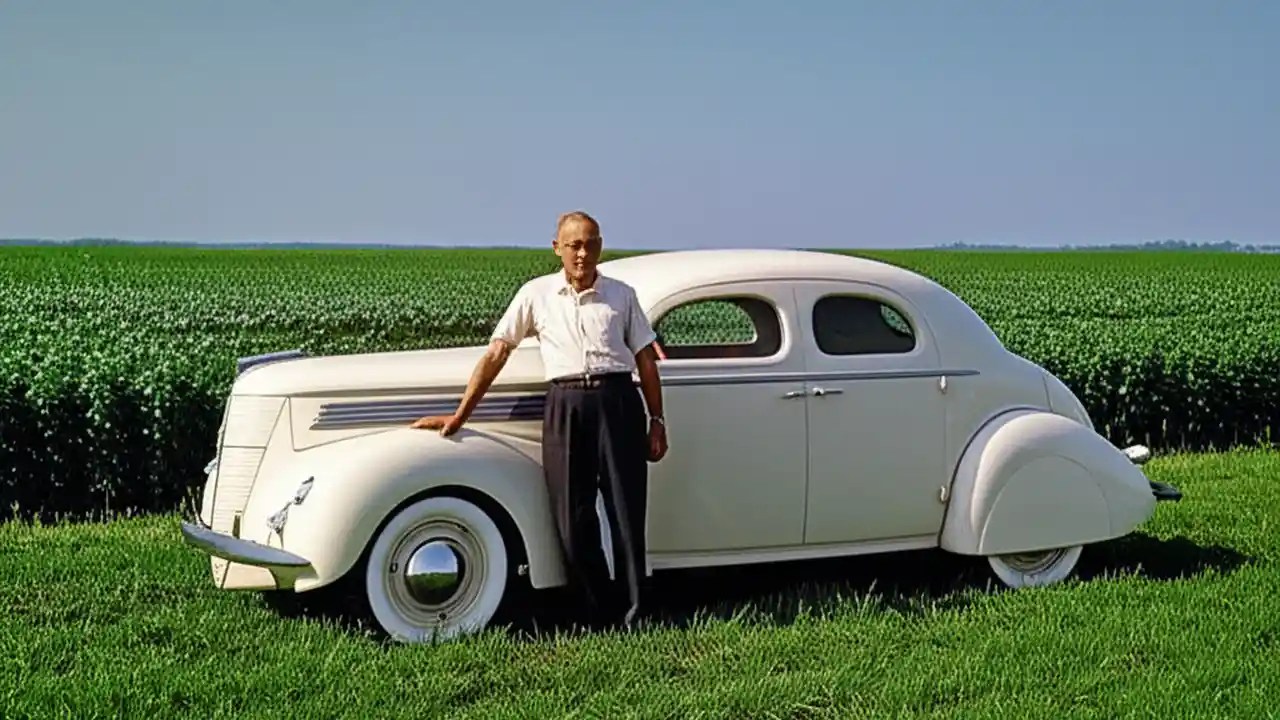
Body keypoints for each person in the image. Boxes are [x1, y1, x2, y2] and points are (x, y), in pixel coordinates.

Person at [410, 210, 668, 628]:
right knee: (572, 515)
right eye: (574, 245)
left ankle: (636, 612)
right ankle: (593, 611)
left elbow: (645, 360)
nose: (582, 253)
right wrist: (460, 415)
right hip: (565, 406)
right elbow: (498, 352)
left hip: (618, 402)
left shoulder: (622, 295)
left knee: (626, 511)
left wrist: (657, 421)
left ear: (600, 246)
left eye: (590, 244)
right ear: (557, 248)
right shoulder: (535, 294)